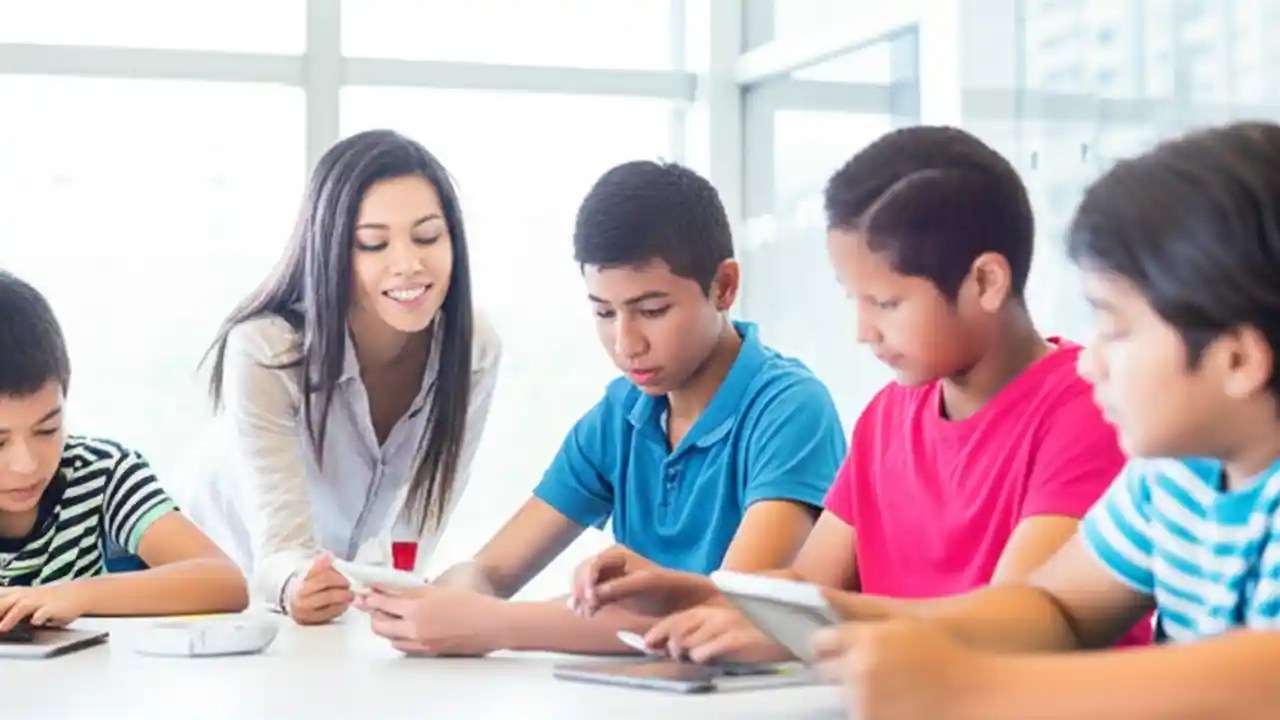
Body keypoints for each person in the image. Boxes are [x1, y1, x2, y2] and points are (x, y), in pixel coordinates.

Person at [569, 126, 1144, 661]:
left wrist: (817, 628)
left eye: (886, 304)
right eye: (855, 300)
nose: (863, 332)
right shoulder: (888, 416)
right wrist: (688, 592)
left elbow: (1016, 626)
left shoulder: (1085, 409)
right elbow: (809, 585)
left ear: (985, 282)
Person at [812, 120, 1280, 720]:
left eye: (1116, 329)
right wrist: (841, 622)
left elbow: (1265, 674)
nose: (1091, 361)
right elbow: (1054, 609)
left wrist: (973, 688)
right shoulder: (1173, 477)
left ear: (1236, 358)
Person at [353, 160, 846, 655]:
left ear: (724, 286)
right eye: (603, 313)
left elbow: (735, 608)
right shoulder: (624, 412)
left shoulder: (790, 409)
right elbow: (491, 569)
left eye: (652, 311)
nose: (626, 343)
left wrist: (496, 624)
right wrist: (429, 605)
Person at [184, 130, 501, 625]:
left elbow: (414, 536)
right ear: (331, 251)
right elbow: (279, 555)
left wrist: (403, 596)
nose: (409, 264)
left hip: (336, 610)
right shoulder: (268, 352)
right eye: (373, 244)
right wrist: (299, 584)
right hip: (225, 601)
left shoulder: (473, 349)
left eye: (427, 236)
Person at [0, 270, 248, 629]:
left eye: (47, 429)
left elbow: (225, 583)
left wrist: (75, 594)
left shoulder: (101, 472)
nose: (26, 464)